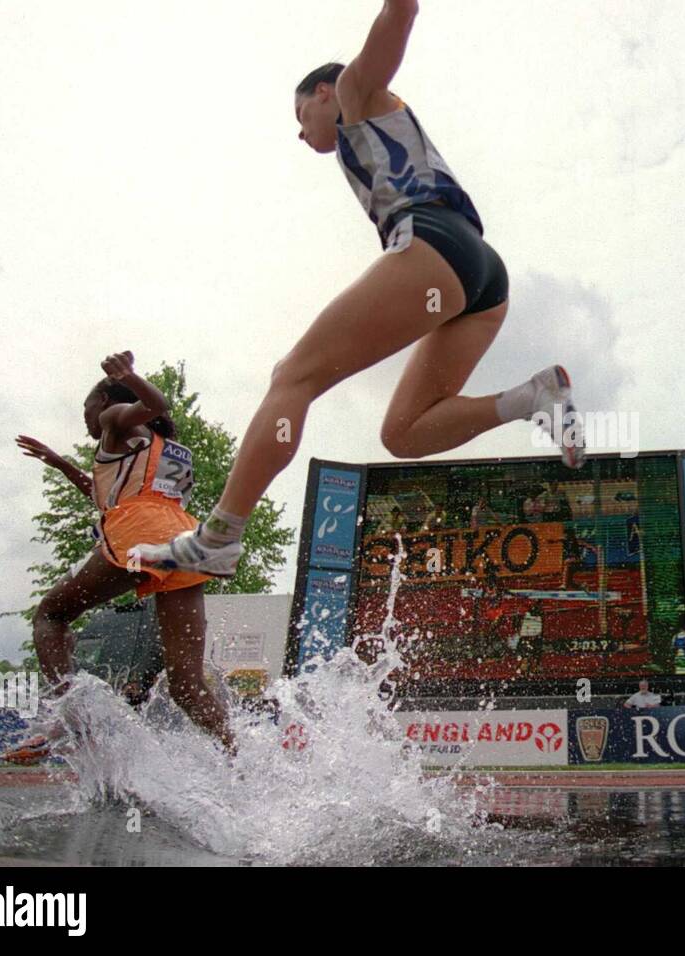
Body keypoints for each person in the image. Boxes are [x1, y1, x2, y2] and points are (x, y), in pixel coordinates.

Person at [136, 0, 585, 579]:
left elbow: (399, 16)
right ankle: (532, 397)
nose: (301, 134)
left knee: (293, 376)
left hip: (434, 244)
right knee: (402, 433)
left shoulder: (354, 92)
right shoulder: (366, 124)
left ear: (324, 92)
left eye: (302, 116)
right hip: (480, 282)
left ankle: (220, 535)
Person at [6, 352, 234, 762]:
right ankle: (241, 759)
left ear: (108, 400)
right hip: (185, 543)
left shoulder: (115, 417)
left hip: (142, 533)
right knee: (186, 685)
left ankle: (68, 718)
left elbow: (156, 405)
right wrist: (59, 463)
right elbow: (107, 498)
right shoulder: (162, 448)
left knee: (51, 616)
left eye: (86, 407)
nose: (86, 417)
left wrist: (132, 378)